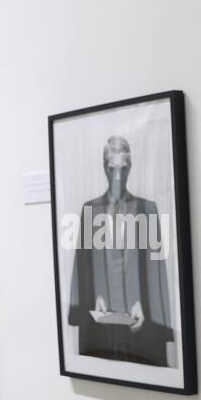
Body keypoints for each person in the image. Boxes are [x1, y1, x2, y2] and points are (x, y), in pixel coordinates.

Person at [67, 135, 174, 367]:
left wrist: (146, 305)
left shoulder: (147, 210)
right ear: (104, 168)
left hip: (141, 325)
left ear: (130, 168)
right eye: (112, 169)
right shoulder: (90, 212)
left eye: (123, 169)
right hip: (101, 329)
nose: (118, 176)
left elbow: (156, 273)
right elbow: (82, 271)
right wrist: (93, 297)